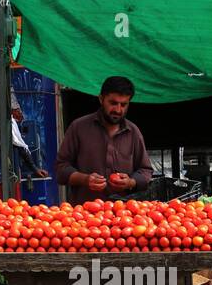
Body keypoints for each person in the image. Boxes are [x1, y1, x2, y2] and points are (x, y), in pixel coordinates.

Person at [55, 76, 154, 204]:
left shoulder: (133, 132)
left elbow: (146, 171)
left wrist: (131, 182)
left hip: (125, 216)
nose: (118, 110)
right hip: (84, 216)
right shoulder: (78, 127)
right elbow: (61, 169)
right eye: (113, 103)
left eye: (123, 105)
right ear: (101, 99)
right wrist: (85, 179)